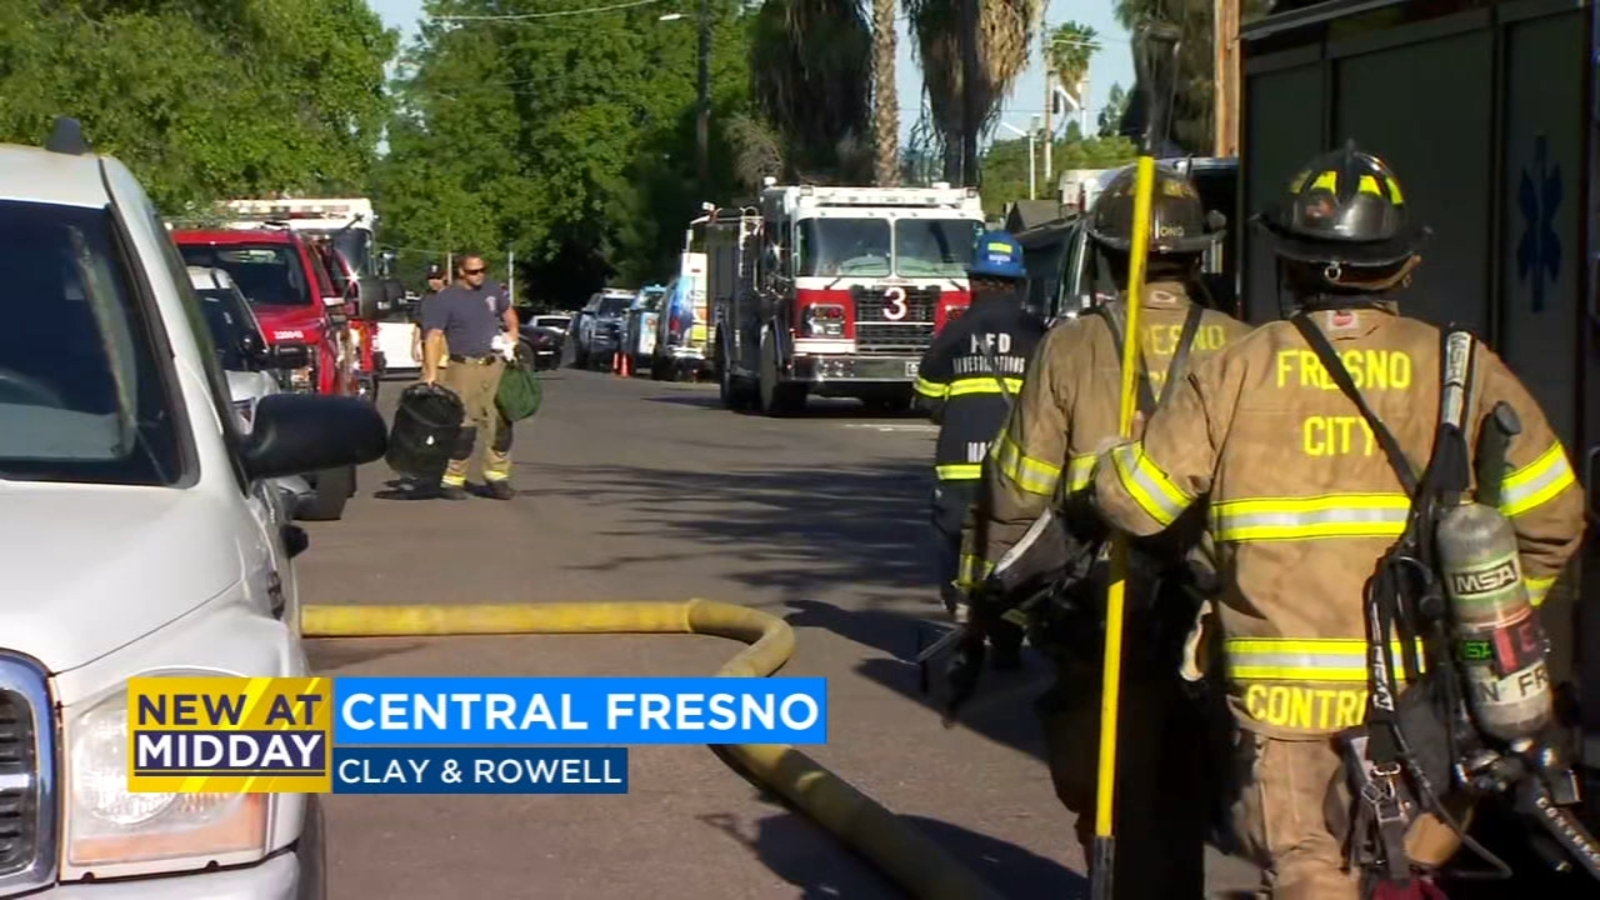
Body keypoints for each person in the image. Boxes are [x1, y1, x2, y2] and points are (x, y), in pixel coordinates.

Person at [1089, 143, 1585, 898]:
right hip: (1425, 700)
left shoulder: (1237, 367)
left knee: (1308, 874)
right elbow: (1554, 516)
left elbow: (1139, 504)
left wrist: (1115, 455)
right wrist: (1496, 623)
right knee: (1402, 876)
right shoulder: (1465, 367)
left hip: (1282, 708)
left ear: (1286, 260)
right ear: (1403, 266)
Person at [959, 163, 1254, 898]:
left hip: (1100, 607)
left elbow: (1017, 488)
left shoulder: (1072, 346)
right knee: (1186, 781)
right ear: (1199, 254)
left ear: (1106, 251)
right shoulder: (1251, 349)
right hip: (1218, 615)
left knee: (1106, 783)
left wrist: (983, 594)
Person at [914, 230, 1046, 669]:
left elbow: (927, 398)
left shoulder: (953, 335)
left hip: (959, 472)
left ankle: (968, 628)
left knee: (954, 547)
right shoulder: (1039, 334)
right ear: (1017, 282)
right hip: (1019, 473)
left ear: (974, 281)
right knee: (1014, 551)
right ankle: (1009, 639)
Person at [420, 254, 520, 500]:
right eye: (473, 271)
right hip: (462, 367)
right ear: (461, 272)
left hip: (494, 364)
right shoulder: (446, 299)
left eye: (482, 270)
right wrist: (431, 373)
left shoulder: (493, 289)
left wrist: (513, 334)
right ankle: (452, 479)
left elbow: (508, 313)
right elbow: (433, 336)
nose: (479, 275)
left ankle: (497, 477)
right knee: (463, 426)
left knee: (501, 423)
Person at [411, 263, 447, 367]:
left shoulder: (454, 297)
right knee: (427, 380)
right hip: (426, 345)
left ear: (444, 277)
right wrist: (414, 347)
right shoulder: (425, 299)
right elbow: (418, 324)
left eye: (438, 278)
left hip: (446, 345)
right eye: (431, 278)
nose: (434, 281)